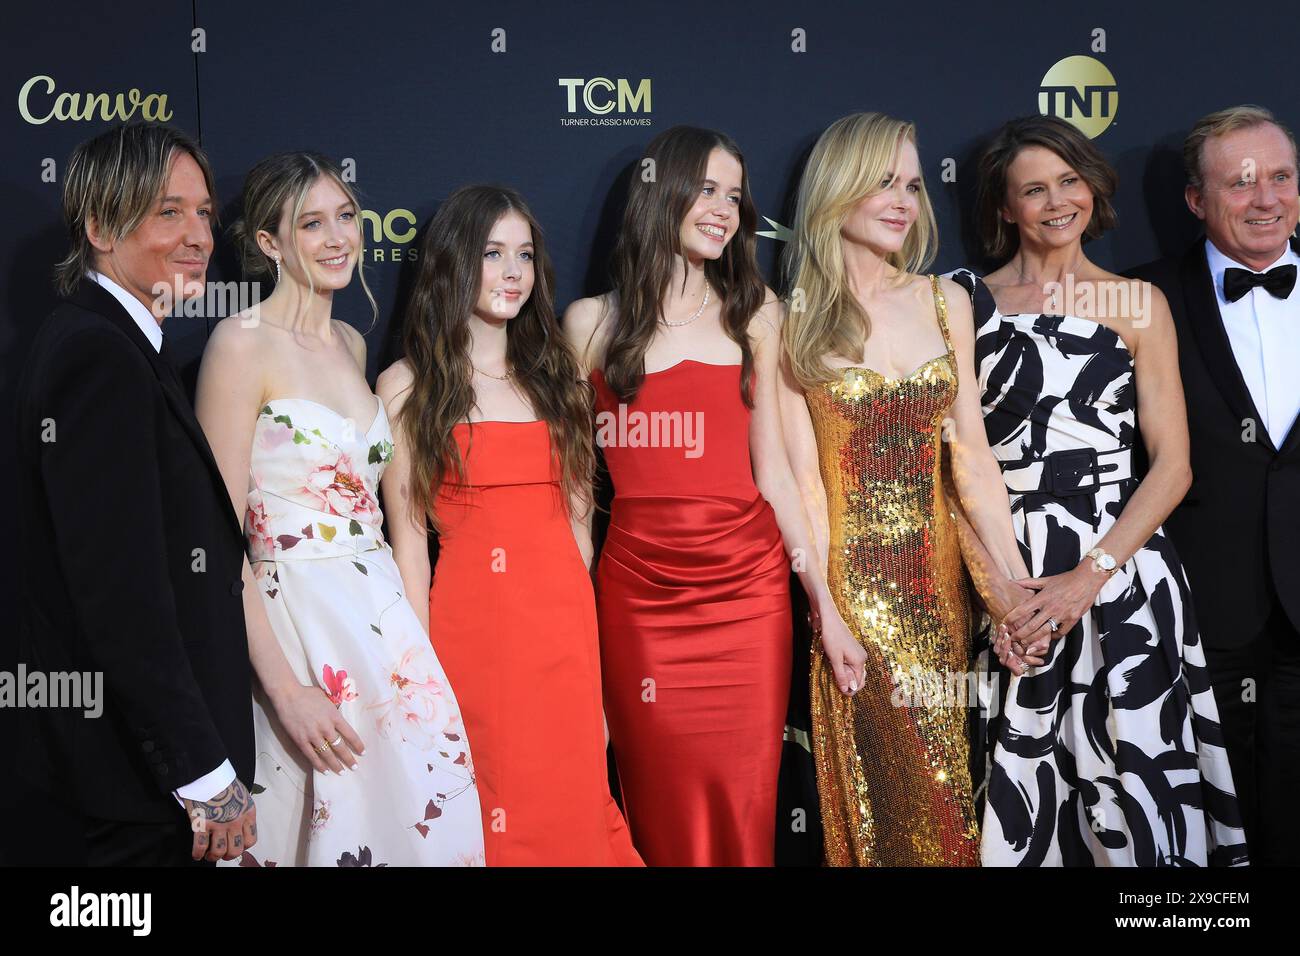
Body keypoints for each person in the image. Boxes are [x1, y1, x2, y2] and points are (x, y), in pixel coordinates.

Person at [565, 125, 866, 867]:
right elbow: (573, 496)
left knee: (745, 811)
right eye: (705, 189)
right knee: (661, 811)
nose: (724, 209)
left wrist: (823, 608)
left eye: (735, 195)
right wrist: (570, 632)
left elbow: (780, 477)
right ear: (659, 191)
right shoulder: (590, 324)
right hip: (640, 603)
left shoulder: (758, 315)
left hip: (749, 599)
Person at [953, 114, 1246, 865]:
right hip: (1008, 576)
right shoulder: (963, 306)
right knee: (1019, 796)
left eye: (1070, 181)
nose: (1057, 202)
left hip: (1121, 573)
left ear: (1093, 188)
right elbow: (952, 463)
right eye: (1033, 189)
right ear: (1005, 207)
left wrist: (1092, 576)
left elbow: (1173, 465)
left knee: (1133, 794)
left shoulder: (1138, 303)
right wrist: (1004, 591)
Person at [196, 153, 484, 866]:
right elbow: (213, 536)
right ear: (270, 243)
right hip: (295, 628)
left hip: (381, 624)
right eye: (312, 223)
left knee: (414, 824)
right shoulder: (239, 344)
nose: (338, 238)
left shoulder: (352, 343)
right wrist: (285, 689)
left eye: (347, 217)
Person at [780, 112, 1029, 866]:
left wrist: (1016, 592)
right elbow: (805, 488)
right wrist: (828, 612)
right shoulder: (788, 319)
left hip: (942, 589)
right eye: (884, 182)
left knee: (953, 792)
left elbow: (975, 464)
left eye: (914, 187)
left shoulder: (943, 300)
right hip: (855, 594)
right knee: (885, 801)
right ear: (838, 189)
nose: (903, 201)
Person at [15, 122, 256, 865]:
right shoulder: (98, 357)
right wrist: (202, 774)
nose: (198, 237)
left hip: (136, 777)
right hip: (132, 786)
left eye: (205, 213)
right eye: (167, 212)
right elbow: (121, 597)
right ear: (98, 227)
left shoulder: (112, 345)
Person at [380, 184, 641, 866]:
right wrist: (420, 674)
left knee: (573, 802)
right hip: (473, 635)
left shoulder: (559, 380)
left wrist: (596, 664)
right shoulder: (406, 386)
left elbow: (582, 534)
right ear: (453, 263)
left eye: (523, 255)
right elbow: (408, 541)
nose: (512, 272)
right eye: (492, 254)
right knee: (495, 816)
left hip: (563, 635)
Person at [1128, 105, 1299, 866]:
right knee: (1208, 831)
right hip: (1198, 608)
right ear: (1196, 201)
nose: (1267, 199)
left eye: (1283, 177)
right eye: (1241, 183)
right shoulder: (1141, 299)